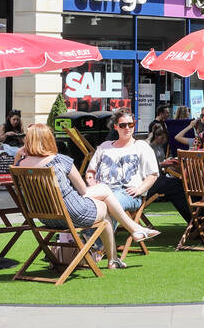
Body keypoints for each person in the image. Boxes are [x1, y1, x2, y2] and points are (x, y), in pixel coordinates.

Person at [17, 122, 149, 269]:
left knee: (103, 192)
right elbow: (83, 191)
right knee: (104, 206)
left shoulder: (19, 165)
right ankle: (115, 256)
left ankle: (131, 233)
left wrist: (19, 154)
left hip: (45, 217)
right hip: (72, 213)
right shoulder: (60, 160)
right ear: (49, 140)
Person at [85, 110, 164, 245]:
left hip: (127, 192)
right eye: (122, 125)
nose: (127, 128)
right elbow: (90, 173)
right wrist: (93, 186)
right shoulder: (105, 147)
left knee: (111, 203)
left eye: (130, 124)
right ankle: (79, 241)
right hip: (102, 190)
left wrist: (140, 189)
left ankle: (92, 245)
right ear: (115, 126)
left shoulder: (141, 147)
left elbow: (153, 174)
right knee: (84, 203)